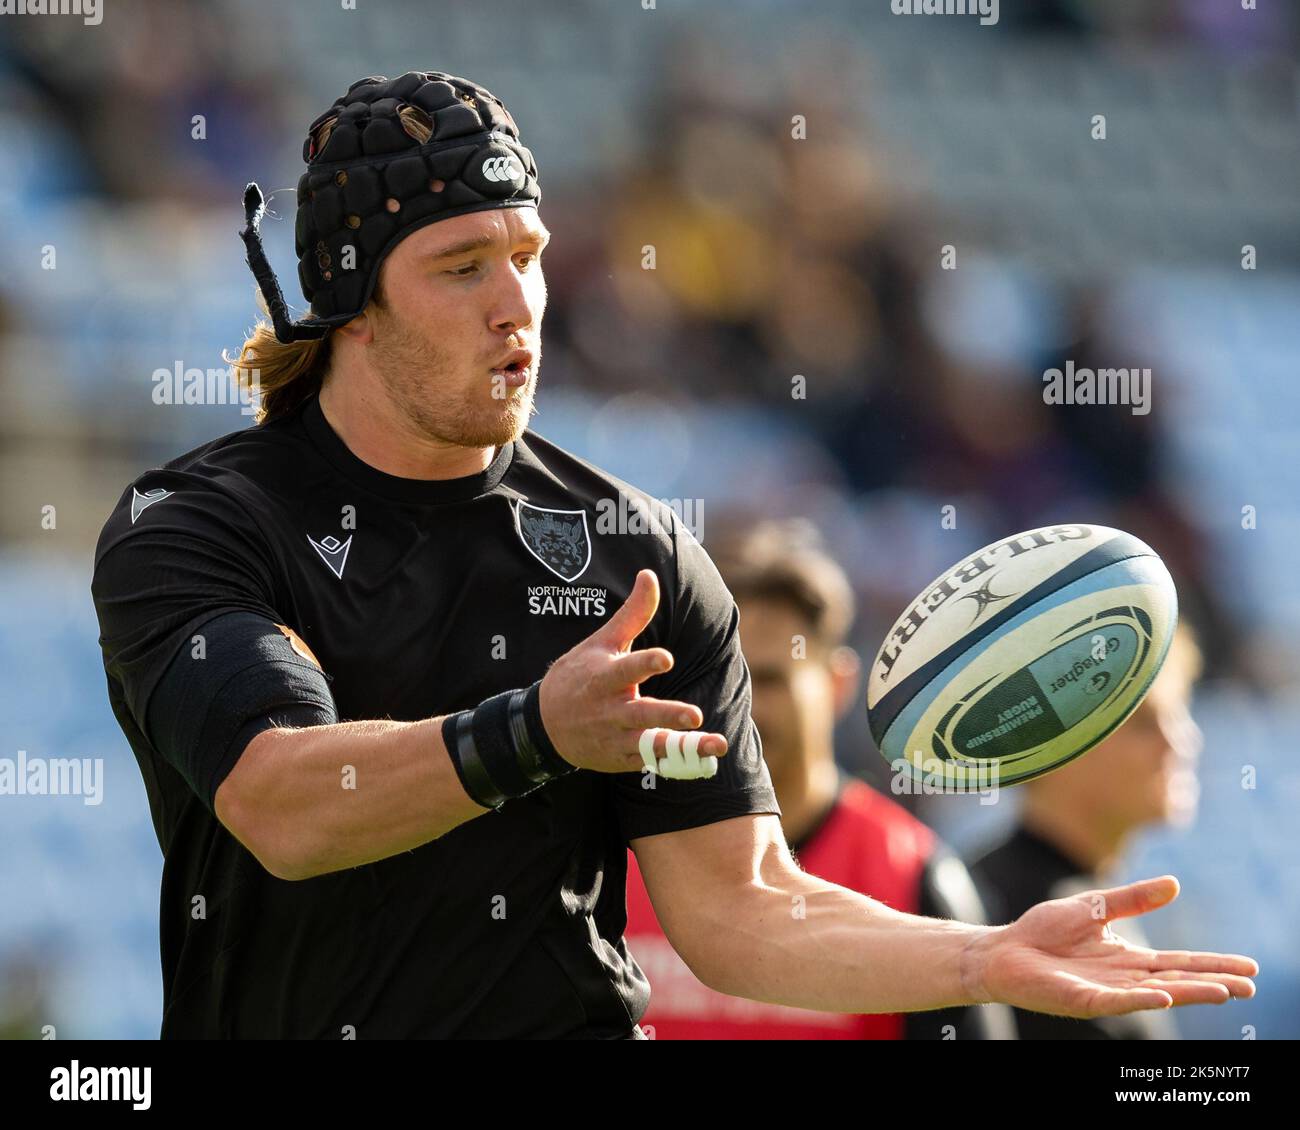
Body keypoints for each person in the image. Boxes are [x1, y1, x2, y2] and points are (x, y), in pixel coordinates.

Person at [91, 70, 1256, 1039]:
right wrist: (536, 731)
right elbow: (286, 803)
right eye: (461, 266)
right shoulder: (197, 523)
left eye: (528, 254)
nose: (517, 303)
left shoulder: (633, 552)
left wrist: (982, 955)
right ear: (349, 301)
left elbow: (742, 908)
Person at [625, 519, 1016, 1038]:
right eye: (717, 682)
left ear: (838, 684)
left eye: (767, 679)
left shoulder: (911, 875)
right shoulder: (617, 859)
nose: (737, 710)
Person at [968, 622, 1206, 1039]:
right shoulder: (1022, 924)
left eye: (1180, 711)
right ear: (1055, 747)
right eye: (1143, 722)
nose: (1180, 742)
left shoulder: (1061, 899)